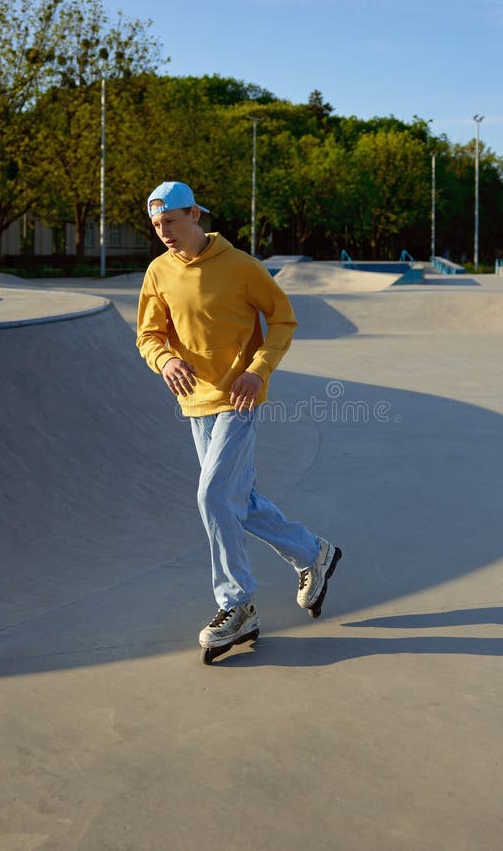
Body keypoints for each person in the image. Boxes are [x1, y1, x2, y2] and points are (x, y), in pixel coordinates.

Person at [136, 181, 342, 662]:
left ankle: (237, 603)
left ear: (195, 216)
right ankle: (313, 553)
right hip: (195, 404)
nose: (164, 232)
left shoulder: (242, 267)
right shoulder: (158, 272)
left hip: (238, 399)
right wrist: (164, 360)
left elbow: (284, 320)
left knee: (212, 494)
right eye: (156, 225)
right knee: (237, 499)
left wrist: (257, 370)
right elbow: (148, 334)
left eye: (171, 221)